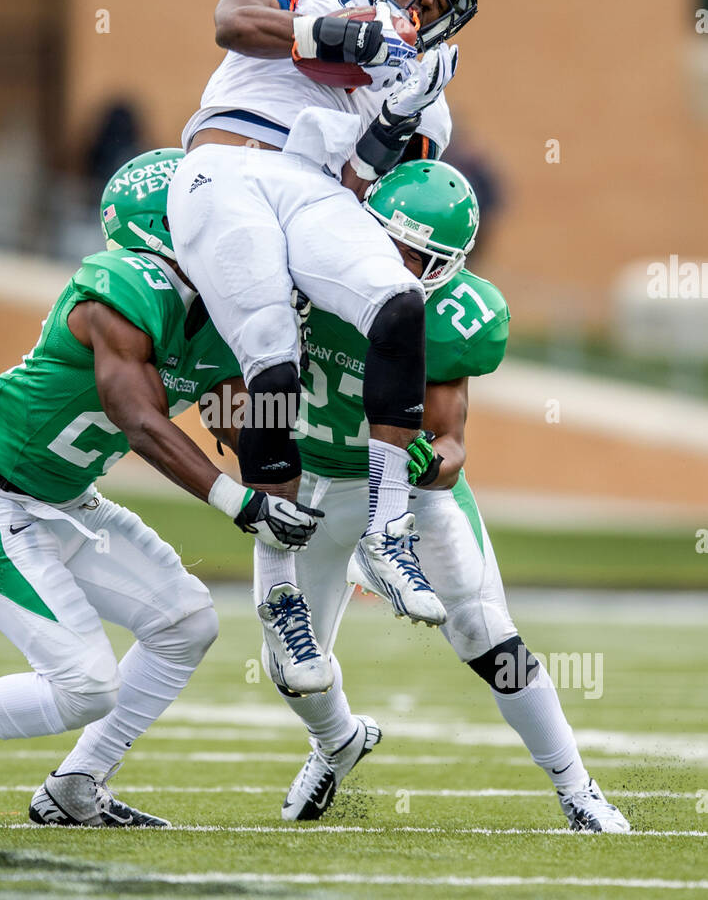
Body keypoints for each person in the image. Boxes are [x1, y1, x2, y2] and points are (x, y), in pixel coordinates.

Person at [0, 149, 291, 831]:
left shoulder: (214, 311)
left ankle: (75, 785)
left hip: (65, 504)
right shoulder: (121, 286)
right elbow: (136, 417)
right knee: (85, 685)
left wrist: (297, 432)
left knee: (184, 622)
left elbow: (240, 421)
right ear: (165, 226)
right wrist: (240, 503)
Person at [259, 159, 630, 834]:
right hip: (306, 484)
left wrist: (430, 468)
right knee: (289, 669)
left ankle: (576, 789)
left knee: (486, 632)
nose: (400, 262)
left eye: (419, 255)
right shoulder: (307, 270)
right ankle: (337, 741)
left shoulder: (455, 316)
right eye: (394, 242)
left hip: (397, 486)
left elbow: (452, 444)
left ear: (449, 263)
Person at [167, 0, 480, 696]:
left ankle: (386, 525)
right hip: (231, 163)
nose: (421, 3)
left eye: (437, 1)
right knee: (270, 358)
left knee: (398, 304)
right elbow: (233, 20)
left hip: (314, 190)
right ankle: (279, 587)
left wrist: (398, 114)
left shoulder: (427, 86)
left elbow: (357, 180)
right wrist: (348, 35)